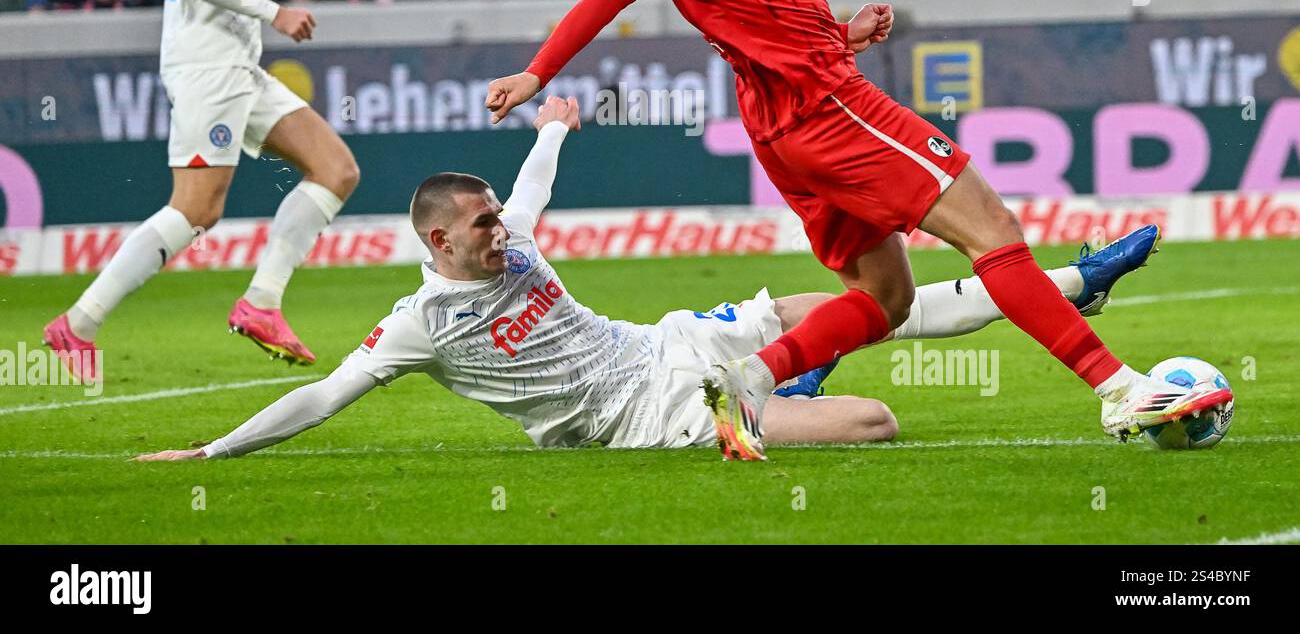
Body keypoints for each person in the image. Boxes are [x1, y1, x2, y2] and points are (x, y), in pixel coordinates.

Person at [483, 0, 1229, 460]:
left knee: (885, 295)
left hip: (796, 117)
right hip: (830, 111)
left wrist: (841, 34)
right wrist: (537, 72)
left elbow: (764, 21)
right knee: (992, 228)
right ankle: (1119, 389)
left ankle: (751, 380)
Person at [136, 97, 1159, 462]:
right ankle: (775, 388)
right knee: (878, 419)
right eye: (484, 224)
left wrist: (549, 126)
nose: (504, 230)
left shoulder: (510, 237)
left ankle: (1072, 283)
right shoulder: (421, 324)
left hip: (670, 339)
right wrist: (212, 447)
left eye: (498, 216)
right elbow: (321, 395)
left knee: (866, 306)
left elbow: (531, 189)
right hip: (643, 415)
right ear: (439, 243)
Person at [41, 0, 361, 382]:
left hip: (237, 62)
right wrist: (273, 11)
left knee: (336, 167)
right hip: (208, 64)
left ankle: (261, 302)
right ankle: (78, 322)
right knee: (195, 210)